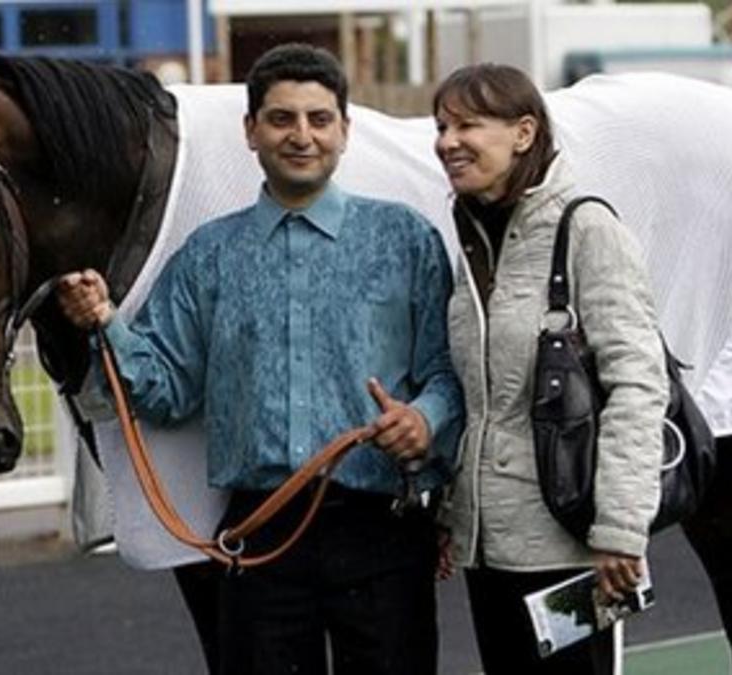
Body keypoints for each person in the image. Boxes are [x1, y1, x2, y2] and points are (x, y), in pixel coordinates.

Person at [58, 43, 463, 675]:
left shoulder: (406, 239)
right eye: (281, 119)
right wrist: (106, 323)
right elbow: (166, 392)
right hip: (261, 536)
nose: (301, 135)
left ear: (344, 130)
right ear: (251, 132)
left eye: (319, 119)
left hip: (383, 530)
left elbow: (449, 373)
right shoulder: (209, 255)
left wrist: (424, 420)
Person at [431, 63, 668, 674]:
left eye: (466, 125)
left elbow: (638, 383)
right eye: (441, 127)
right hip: (490, 551)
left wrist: (620, 527)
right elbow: (479, 399)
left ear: (524, 132)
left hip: (573, 547)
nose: (447, 142)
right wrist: (453, 513)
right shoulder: (473, 239)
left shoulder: (586, 229)